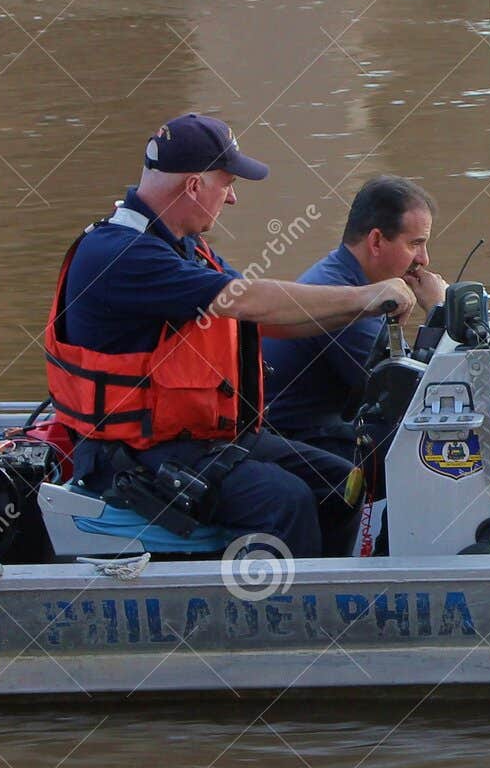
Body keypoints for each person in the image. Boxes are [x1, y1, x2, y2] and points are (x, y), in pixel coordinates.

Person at [43, 113, 412, 559]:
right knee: (286, 501)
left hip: (196, 438)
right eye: (228, 183)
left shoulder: (183, 246)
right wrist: (366, 296)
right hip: (128, 453)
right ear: (194, 186)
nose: (233, 198)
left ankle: (338, 593)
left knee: (344, 482)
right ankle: (289, 620)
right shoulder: (122, 254)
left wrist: (364, 310)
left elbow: (266, 320)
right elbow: (247, 300)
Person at [262, 176, 447, 458]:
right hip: (295, 444)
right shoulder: (346, 300)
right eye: (415, 244)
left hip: (318, 431)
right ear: (376, 241)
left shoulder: (345, 277)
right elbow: (413, 399)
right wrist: (439, 313)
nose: (424, 259)